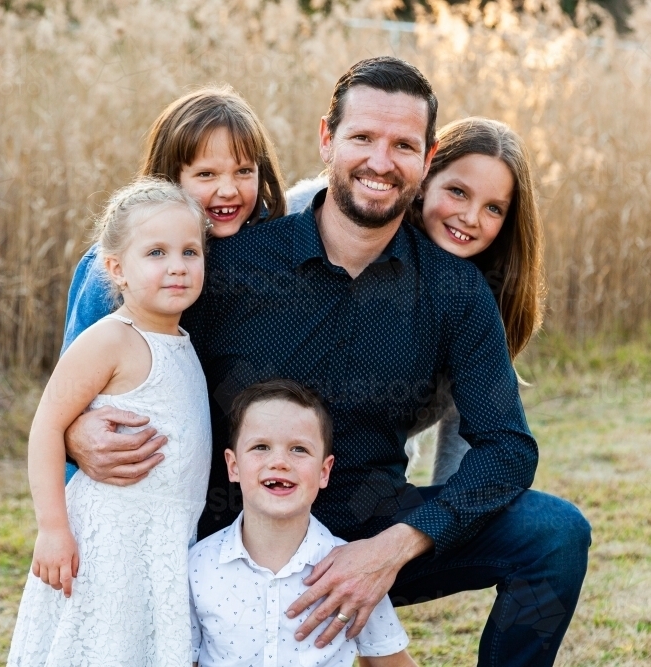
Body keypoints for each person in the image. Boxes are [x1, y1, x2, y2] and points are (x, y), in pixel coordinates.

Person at [66, 57, 591, 667]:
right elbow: (122, 296)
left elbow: (508, 449)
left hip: (372, 528)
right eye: (362, 137)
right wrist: (73, 430)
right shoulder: (232, 266)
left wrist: (391, 550)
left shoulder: (453, 292)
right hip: (235, 536)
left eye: (403, 145)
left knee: (554, 534)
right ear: (327, 139)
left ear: (426, 161)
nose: (380, 160)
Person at [7, 178, 212, 667]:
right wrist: (53, 529)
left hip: (160, 544)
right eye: (156, 253)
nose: (177, 267)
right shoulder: (111, 340)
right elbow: (46, 428)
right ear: (117, 269)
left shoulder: (182, 340)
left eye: (190, 252)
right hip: (106, 545)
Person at [287, 117, 546, 484]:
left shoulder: (480, 297)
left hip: (377, 483)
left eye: (494, 208)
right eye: (457, 191)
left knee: (550, 524)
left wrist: (442, 530)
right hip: (281, 464)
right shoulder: (319, 210)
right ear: (425, 178)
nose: (470, 217)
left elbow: (469, 438)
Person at [59, 85, 287, 485]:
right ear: (170, 179)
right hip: (129, 484)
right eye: (206, 174)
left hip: (226, 485)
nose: (228, 189)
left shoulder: (275, 257)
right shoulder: (114, 268)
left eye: (244, 171)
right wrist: (73, 436)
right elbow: (69, 391)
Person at [189, 379, 417, 667]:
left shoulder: (355, 572)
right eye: (261, 446)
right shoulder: (196, 566)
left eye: (298, 449)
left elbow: (390, 662)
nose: (280, 462)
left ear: (324, 471)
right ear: (233, 466)